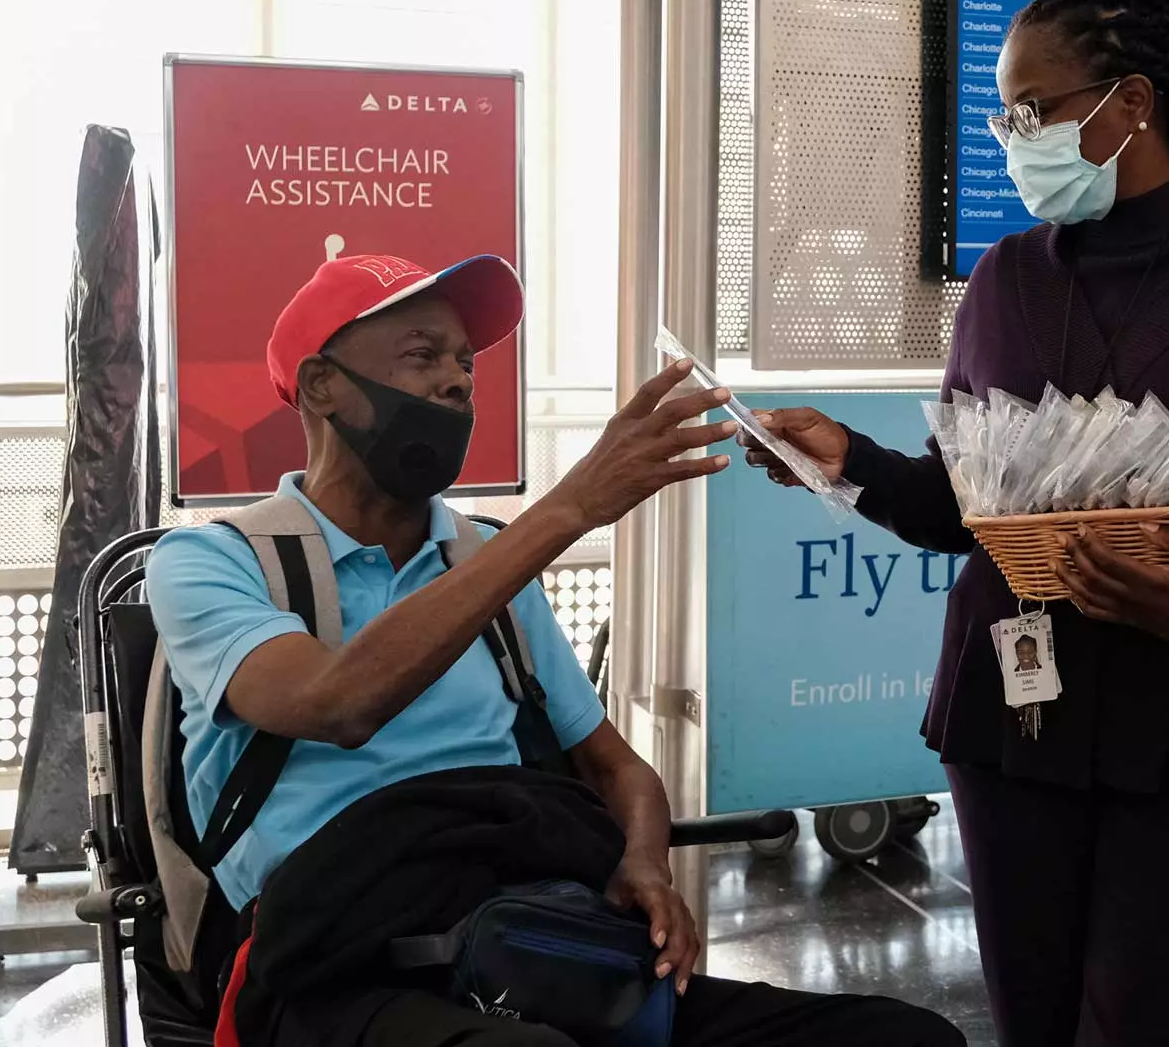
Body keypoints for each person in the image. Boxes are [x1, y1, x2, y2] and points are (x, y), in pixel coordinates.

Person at [742, 0, 1169, 1047]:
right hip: (1017, 729)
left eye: (1033, 110)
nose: (1012, 136)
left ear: (1132, 104)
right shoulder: (1007, 279)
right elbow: (966, 506)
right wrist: (852, 463)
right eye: (1003, 114)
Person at [147, 253, 965, 1047]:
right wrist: (567, 509)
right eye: (421, 355)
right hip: (331, 971)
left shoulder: (485, 563)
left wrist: (645, 863)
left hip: (528, 941)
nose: (457, 380)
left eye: (466, 362)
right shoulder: (214, 563)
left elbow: (616, 769)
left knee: (909, 1035)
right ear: (322, 384)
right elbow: (336, 701)